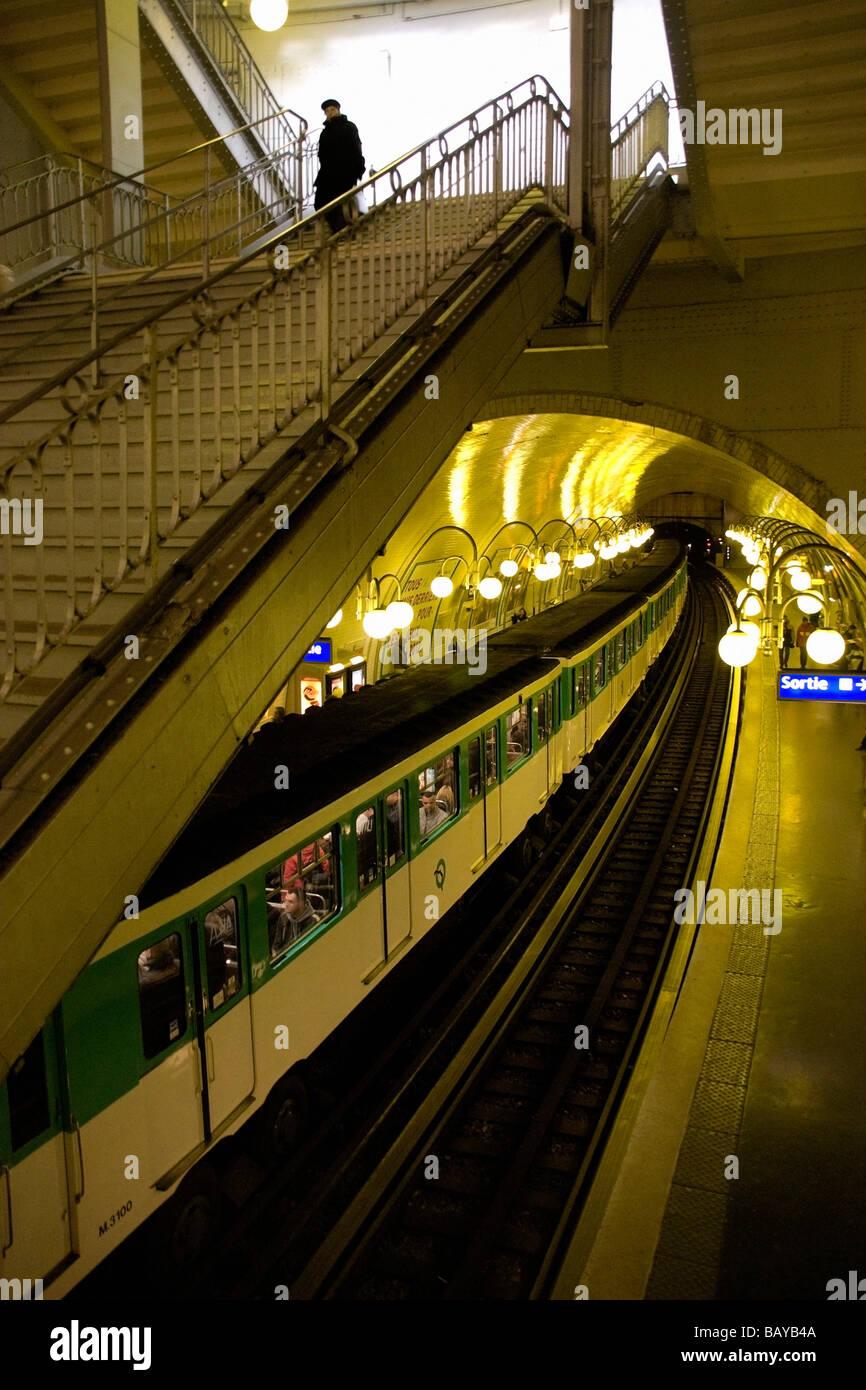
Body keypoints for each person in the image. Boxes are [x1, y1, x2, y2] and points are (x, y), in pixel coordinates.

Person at [314, 99, 365, 234]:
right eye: (327, 111)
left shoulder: (349, 126)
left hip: (346, 171)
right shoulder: (325, 132)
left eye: (332, 110)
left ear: (338, 110)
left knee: (343, 202)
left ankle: (343, 230)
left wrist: (358, 168)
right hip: (328, 173)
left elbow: (356, 147)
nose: (329, 113)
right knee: (321, 202)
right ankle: (337, 229)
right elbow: (322, 154)